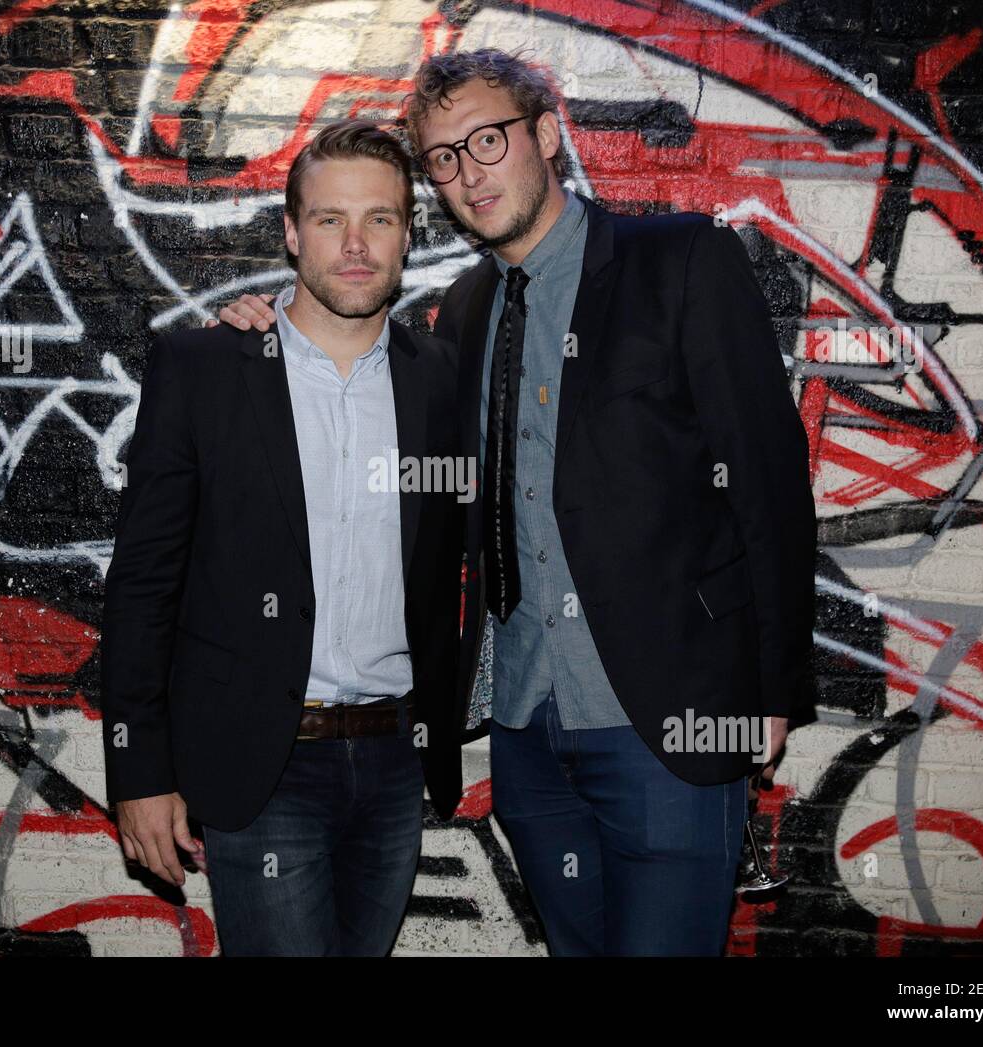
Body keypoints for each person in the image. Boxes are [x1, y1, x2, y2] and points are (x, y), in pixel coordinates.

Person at [216, 48, 817, 956]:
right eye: (444, 159)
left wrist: (772, 689)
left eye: (486, 140)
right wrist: (262, 331)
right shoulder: (461, 310)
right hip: (528, 737)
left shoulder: (680, 259)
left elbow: (770, 481)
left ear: (546, 135)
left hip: (670, 721)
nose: (467, 172)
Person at [101, 119, 466, 956]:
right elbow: (143, 586)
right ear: (293, 232)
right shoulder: (206, 370)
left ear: (407, 236)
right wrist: (140, 770)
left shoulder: (441, 379)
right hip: (263, 765)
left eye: (379, 218)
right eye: (330, 219)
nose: (355, 243)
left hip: (393, 762)